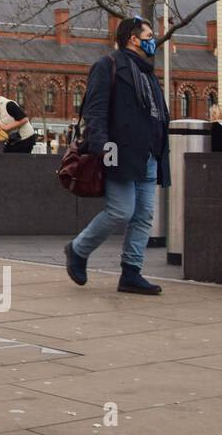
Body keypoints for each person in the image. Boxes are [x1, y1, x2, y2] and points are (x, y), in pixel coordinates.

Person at [64, 16, 168, 295]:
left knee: (143, 215)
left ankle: (131, 273)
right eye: (149, 35)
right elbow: (95, 110)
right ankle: (78, 249)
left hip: (149, 154)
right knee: (121, 211)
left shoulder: (147, 72)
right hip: (119, 152)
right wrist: (101, 146)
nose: (153, 40)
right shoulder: (108, 65)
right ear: (134, 39)